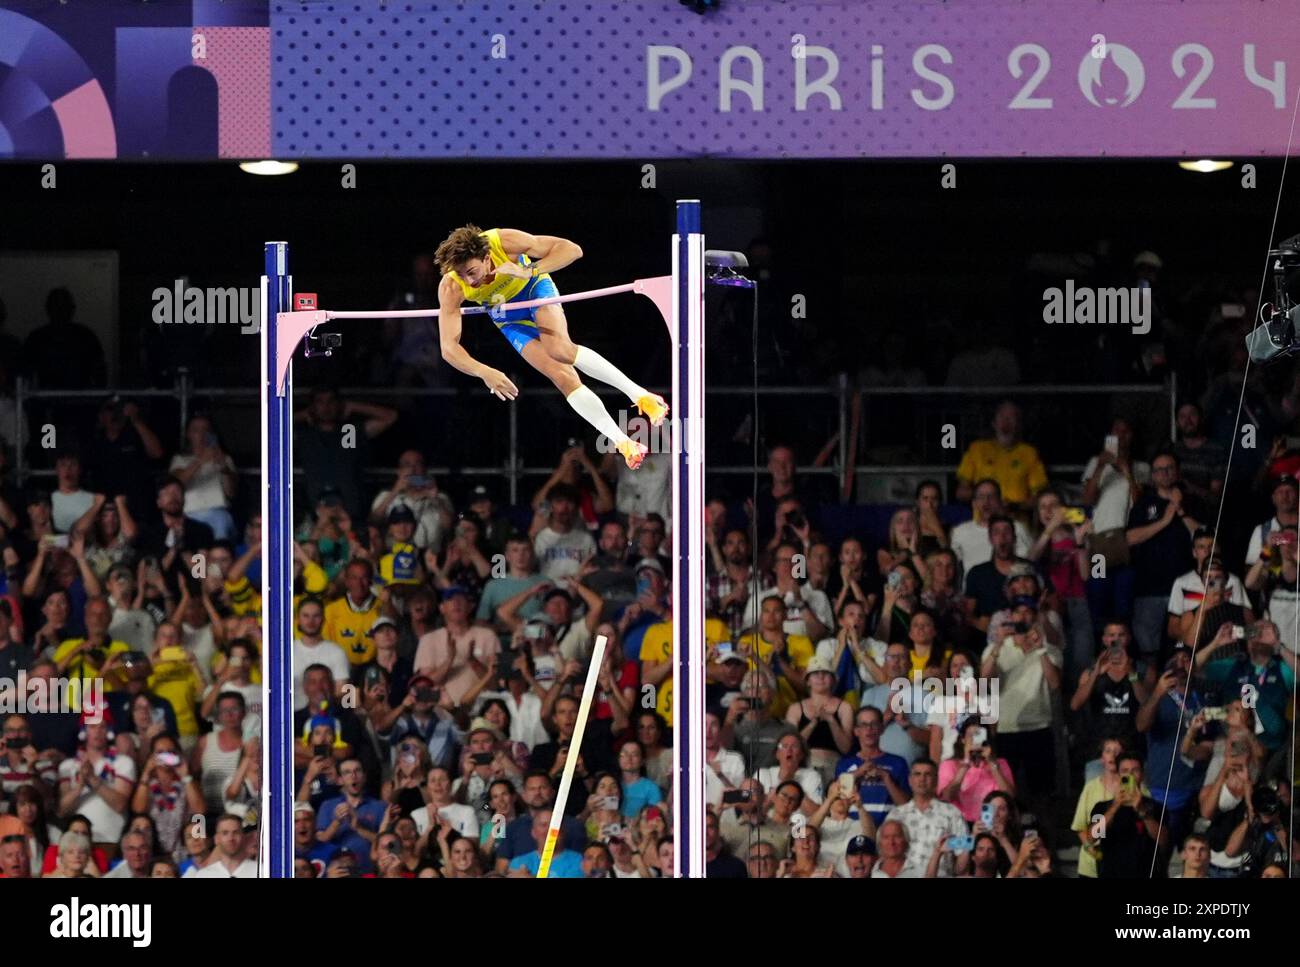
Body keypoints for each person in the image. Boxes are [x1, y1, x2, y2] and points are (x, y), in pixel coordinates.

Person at [433, 224, 667, 469]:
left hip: (534, 289)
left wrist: (529, 270)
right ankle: (624, 443)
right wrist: (485, 372)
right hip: (509, 317)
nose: (469, 280)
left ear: (487, 257)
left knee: (560, 350)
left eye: (472, 271)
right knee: (562, 376)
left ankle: (642, 396)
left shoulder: (503, 241)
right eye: (461, 274)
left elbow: (571, 250)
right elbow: (448, 348)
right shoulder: (451, 286)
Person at [979, 597, 1062, 800]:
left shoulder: (1050, 649)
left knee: (1042, 793)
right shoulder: (994, 649)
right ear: (1011, 616)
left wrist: (1041, 648)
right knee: (1008, 794)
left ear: (1034, 617)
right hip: (1007, 728)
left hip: (1039, 727)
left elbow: (1055, 684)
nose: (1023, 616)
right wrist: (998, 645)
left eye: (1028, 612)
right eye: (1018, 612)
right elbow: (984, 679)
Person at [1069, 623, 1149, 779]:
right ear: (1104, 639)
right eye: (1111, 635)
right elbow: (1075, 704)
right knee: (1099, 799)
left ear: (1129, 638)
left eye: (1121, 635)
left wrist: (1131, 672)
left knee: (1130, 797)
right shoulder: (1091, 671)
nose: (1116, 639)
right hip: (1099, 752)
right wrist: (1096, 673)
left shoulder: (1142, 669)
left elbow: (1146, 702)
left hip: (1131, 751)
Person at [954, 401, 1048, 510]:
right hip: (984, 520)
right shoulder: (977, 449)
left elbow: (1040, 496)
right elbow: (961, 492)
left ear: (1019, 425)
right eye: (1002, 416)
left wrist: (1015, 506)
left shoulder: (1029, 453)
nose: (1006, 421)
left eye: (1011, 417)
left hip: (1016, 520)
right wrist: (988, 500)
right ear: (994, 423)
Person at [1091, 751, 1169, 878]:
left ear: (1142, 775)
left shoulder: (1156, 807)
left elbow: (1163, 841)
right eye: (1125, 771)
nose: (1130, 775)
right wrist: (1116, 805)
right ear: (1118, 775)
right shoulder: (1101, 807)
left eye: (1135, 770)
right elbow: (1093, 836)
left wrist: (1142, 811)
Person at [832, 706, 910, 827]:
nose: (869, 729)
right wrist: (859, 772)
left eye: (874, 724)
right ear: (856, 731)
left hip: (888, 831)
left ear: (882, 729)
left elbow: (906, 806)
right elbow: (838, 801)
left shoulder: (898, 763)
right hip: (853, 829)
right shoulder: (844, 764)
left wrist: (885, 777)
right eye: (863, 725)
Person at [168, 415, 239, 541]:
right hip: (189, 515)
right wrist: (201, 460)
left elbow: (231, 493)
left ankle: (216, 558)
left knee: (221, 523)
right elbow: (176, 484)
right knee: (192, 552)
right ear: (188, 434)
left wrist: (224, 467)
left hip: (217, 513)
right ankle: (197, 561)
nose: (202, 434)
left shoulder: (224, 458)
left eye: (206, 430)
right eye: (196, 430)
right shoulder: (180, 460)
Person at [937, 718, 1015, 823]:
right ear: (963, 739)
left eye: (979, 735)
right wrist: (965, 764)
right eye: (971, 736)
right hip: (961, 823)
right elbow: (946, 798)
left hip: (995, 822)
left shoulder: (999, 764)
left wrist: (992, 763)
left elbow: (1010, 797)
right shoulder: (949, 765)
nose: (975, 740)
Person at [949, 480, 1031, 571]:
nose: (986, 501)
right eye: (981, 497)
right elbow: (951, 564)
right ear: (974, 503)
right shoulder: (960, 531)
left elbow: (1027, 562)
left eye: (991, 496)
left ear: (1000, 501)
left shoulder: (1017, 528)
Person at [506, 808, 585, 878]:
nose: (549, 830)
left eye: (554, 825)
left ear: (563, 831)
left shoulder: (578, 861)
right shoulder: (519, 862)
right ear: (534, 833)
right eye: (543, 825)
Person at [190, 813, 258, 877]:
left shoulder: (261, 871)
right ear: (216, 839)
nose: (231, 838)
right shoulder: (203, 875)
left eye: (236, 832)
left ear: (243, 837)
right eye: (225, 833)